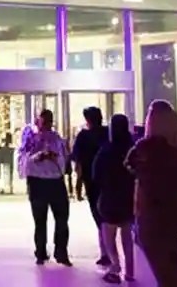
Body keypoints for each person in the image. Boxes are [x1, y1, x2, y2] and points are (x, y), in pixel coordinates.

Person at [127, 99, 177, 287]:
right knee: (173, 275)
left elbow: (129, 170)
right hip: (169, 218)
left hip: (147, 217)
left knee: (156, 273)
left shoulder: (140, 150)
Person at [18, 108, 70, 266]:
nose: (47, 124)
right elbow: (23, 158)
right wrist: (38, 156)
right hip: (37, 182)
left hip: (55, 180)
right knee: (40, 219)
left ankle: (61, 252)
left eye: (50, 121)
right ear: (37, 121)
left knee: (62, 218)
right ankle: (40, 251)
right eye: (44, 121)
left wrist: (57, 157)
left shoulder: (56, 138)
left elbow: (63, 157)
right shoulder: (30, 138)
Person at [93, 114, 136, 284]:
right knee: (127, 234)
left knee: (108, 234)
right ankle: (130, 270)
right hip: (129, 197)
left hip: (110, 197)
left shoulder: (106, 150)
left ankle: (115, 266)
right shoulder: (133, 148)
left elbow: (96, 174)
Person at [72, 106, 110, 267]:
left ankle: (106, 252)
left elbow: (77, 159)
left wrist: (77, 184)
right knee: (111, 217)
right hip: (110, 180)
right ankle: (110, 251)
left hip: (91, 180)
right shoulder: (108, 133)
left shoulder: (83, 136)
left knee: (98, 215)